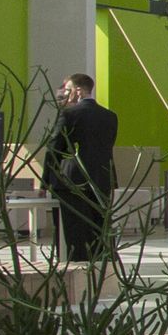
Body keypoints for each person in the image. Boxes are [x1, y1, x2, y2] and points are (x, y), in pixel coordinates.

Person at [45, 73, 121, 262]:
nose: (65, 94)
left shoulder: (69, 114)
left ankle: (77, 265)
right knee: (100, 225)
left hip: (72, 180)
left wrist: (45, 181)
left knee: (75, 229)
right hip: (103, 177)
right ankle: (104, 263)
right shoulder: (110, 116)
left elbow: (54, 148)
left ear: (78, 91)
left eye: (68, 89)